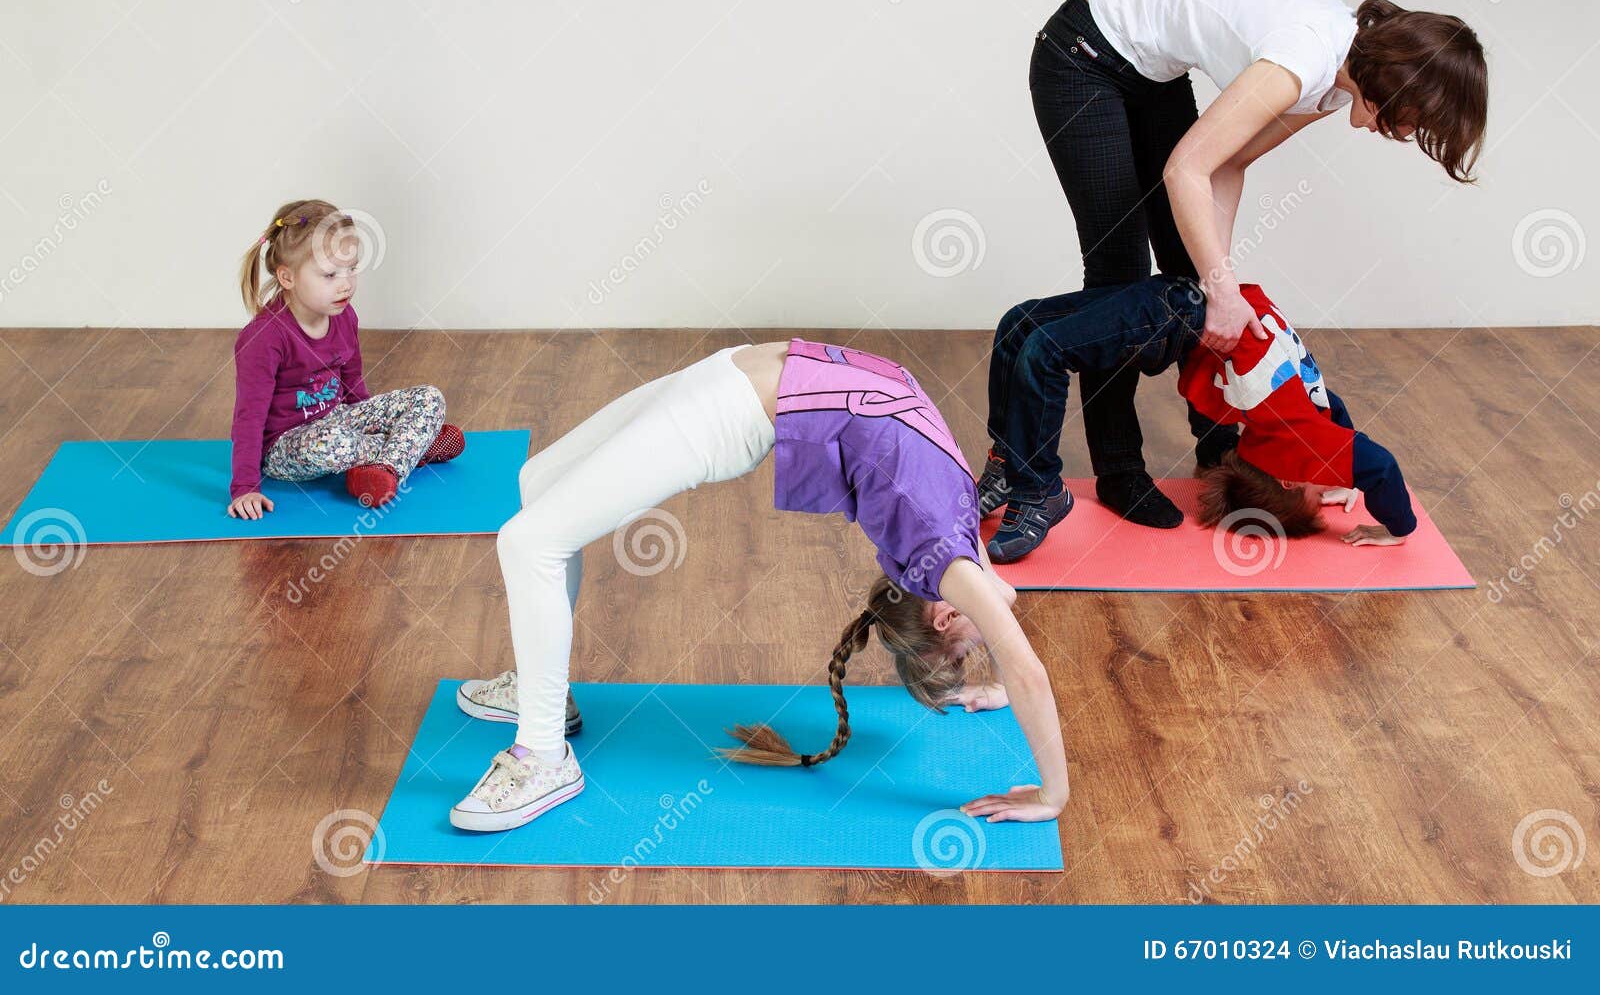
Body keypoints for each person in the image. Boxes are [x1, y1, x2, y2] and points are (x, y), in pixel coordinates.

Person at [448, 339, 1069, 832]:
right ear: (944, 617)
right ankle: (545, 702)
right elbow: (1026, 664)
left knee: (529, 539)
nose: (990, 634)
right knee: (538, 486)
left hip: (742, 389)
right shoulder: (952, 563)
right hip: (727, 386)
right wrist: (1052, 793)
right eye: (972, 647)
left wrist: (990, 684)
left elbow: (1002, 609)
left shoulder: (952, 529)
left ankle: (542, 753)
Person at [1022, 0, 1486, 529]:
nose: (1403, 132)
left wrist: (1216, 278)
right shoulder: (1303, 59)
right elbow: (1185, 170)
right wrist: (1221, 289)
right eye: (1411, 120)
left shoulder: (1337, 81)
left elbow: (1229, 162)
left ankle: (1219, 445)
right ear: (1392, 85)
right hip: (1083, 54)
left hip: (1151, 70)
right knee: (1120, 270)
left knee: (1195, 271)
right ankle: (1119, 470)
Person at [980, 275, 1414, 561]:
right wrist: (1397, 526)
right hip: (1177, 314)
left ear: (1288, 478)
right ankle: (1038, 490)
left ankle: (1012, 466)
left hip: (1177, 305)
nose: (1325, 489)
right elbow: (1377, 464)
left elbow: (1343, 426)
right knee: (1033, 340)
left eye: (1317, 496)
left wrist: (1342, 474)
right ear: (1290, 478)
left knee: (1024, 330)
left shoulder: (1295, 427)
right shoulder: (1298, 437)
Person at [229, 199, 463, 517]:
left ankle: (386, 468)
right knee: (329, 443)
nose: (346, 284)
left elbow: (353, 385)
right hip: (288, 444)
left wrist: (372, 422)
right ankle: (414, 446)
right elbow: (249, 418)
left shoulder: (344, 315)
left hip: (339, 419)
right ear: (287, 278)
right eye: (330, 275)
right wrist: (245, 487)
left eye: (351, 269)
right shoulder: (264, 338)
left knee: (430, 397)